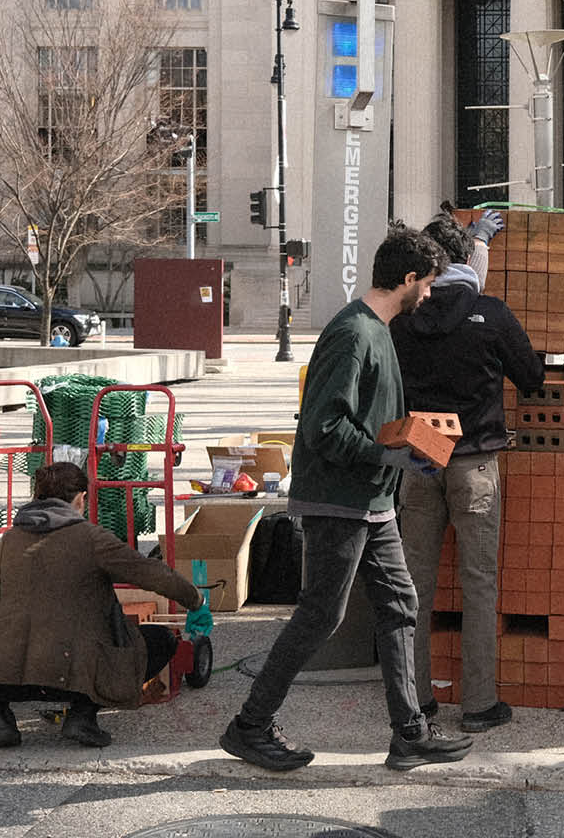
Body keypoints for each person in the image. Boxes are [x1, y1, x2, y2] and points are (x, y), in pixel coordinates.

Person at [219, 225, 474, 772]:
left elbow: (364, 421)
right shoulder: (353, 333)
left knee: (401, 606)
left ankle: (409, 735)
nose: (428, 294)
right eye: (426, 284)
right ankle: (249, 726)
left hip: (371, 502)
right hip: (339, 502)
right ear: (407, 279)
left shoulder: (377, 330)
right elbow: (323, 428)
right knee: (319, 617)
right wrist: (393, 456)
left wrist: (410, 437)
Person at [392, 212, 545, 733]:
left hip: (420, 458)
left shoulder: (402, 321)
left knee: (413, 584)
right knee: (478, 583)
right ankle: (479, 704)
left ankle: (413, 701)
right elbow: (531, 378)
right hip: (475, 459)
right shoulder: (490, 313)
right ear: (464, 261)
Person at [0, 460, 207, 749]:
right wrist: (195, 599)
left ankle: (1, 718)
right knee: (161, 640)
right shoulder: (91, 539)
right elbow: (152, 573)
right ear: (81, 498)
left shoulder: (10, 538)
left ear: (37, 497)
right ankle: (82, 716)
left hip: (4, 676)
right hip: (71, 673)